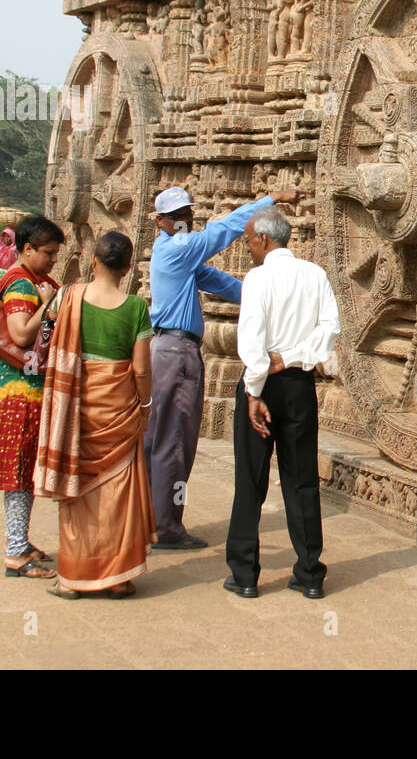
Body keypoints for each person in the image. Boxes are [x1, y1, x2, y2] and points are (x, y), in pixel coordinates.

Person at [146, 183, 301, 550]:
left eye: (188, 214)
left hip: (168, 350)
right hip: (176, 352)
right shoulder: (178, 249)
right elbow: (226, 229)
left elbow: (221, 283)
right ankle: (166, 527)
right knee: (175, 442)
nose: (185, 221)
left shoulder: (176, 256)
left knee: (161, 438)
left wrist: (268, 292)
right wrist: (271, 200)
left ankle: (151, 518)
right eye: (176, 216)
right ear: (160, 221)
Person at [35, 231, 157, 599]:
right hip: (118, 407)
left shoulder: (68, 296)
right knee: (118, 492)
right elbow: (140, 369)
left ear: (94, 261)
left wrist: (46, 301)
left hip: (74, 405)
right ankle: (116, 577)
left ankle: (72, 577)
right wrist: (145, 406)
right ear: (127, 268)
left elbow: (46, 328)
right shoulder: (135, 307)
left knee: (76, 490)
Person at [225, 207, 339, 599]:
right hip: (298, 384)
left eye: (248, 241)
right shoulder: (315, 275)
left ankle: (244, 574)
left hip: (264, 385)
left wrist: (254, 392)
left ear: (264, 239)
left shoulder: (258, 279)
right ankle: (309, 573)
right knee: (301, 478)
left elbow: (252, 339)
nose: (248, 249)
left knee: (250, 480)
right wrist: (292, 358)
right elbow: (330, 330)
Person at [0, 215, 64, 579]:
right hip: (17, 393)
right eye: (48, 253)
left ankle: (20, 542)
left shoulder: (29, 281)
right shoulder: (23, 286)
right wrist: (47, 305)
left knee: (23, 470)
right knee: (16, 472)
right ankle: (15, 552)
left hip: (21, 390)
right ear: (27, 249)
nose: (52, 261)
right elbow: (21, 334)